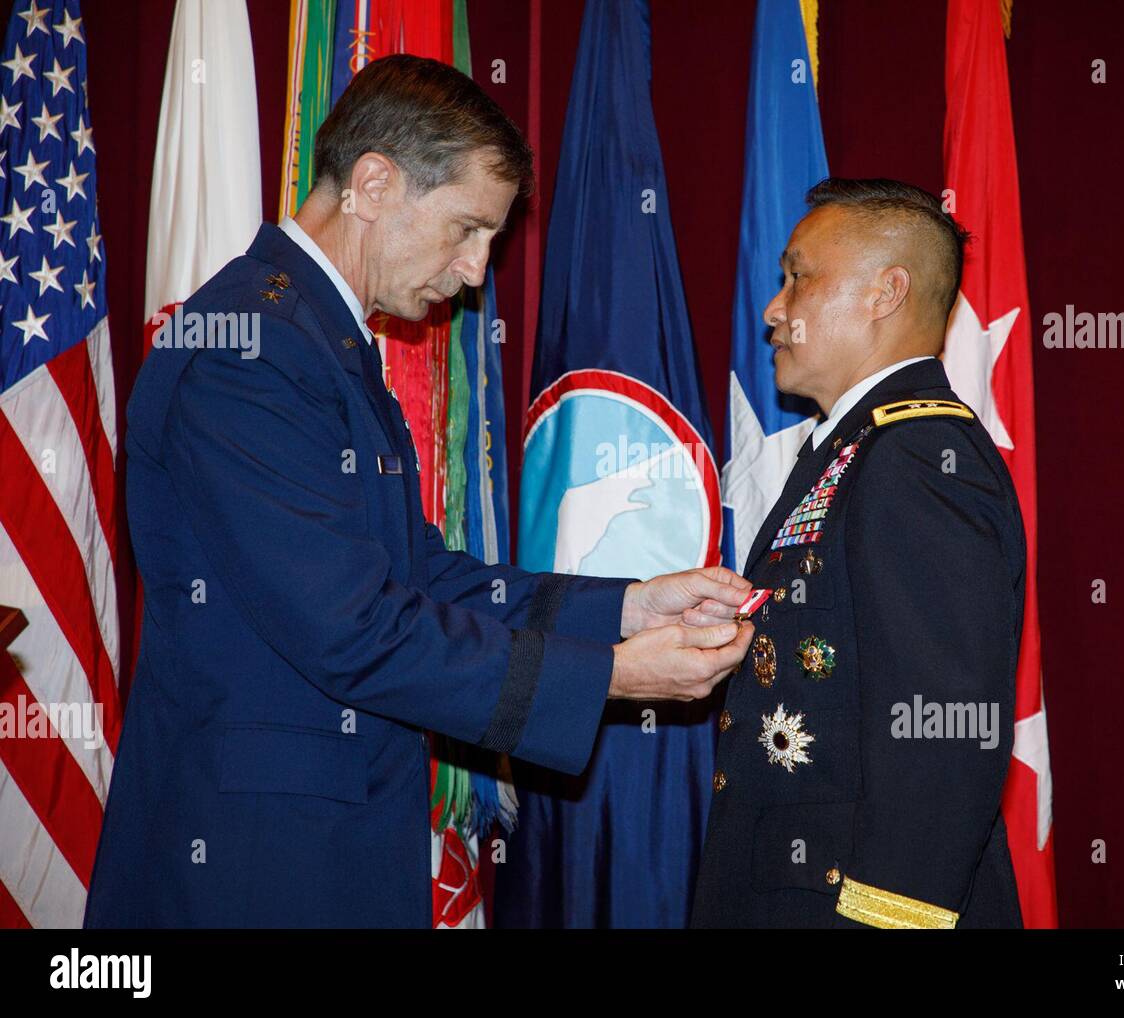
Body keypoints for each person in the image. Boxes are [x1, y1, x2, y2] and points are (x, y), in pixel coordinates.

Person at [84, 55, 753, 929]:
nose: (478, 272)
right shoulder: (249, 349)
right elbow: (355, 629)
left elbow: (420, 580)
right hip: (253, 864)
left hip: (322, 843)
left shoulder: (319, 340)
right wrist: (615, 677)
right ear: (373, 183)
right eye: (468, 230)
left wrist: (628, 607)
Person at [691, 178, 1026, 929]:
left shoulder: (915, 457)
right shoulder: (859, 449)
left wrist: (893, 917)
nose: (774, 310)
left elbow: (946, 722)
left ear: (885, 292)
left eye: (799, 277)